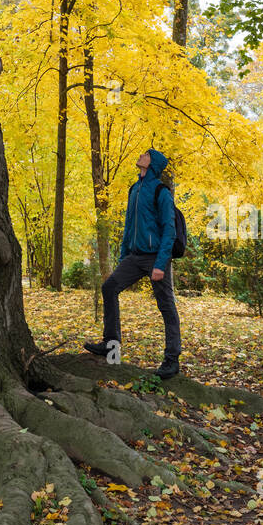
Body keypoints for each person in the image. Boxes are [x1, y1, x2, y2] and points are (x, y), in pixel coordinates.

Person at [83, 147, 181, 379]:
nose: (141, 156)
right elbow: (129, 226)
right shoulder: (135, 189)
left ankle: (172, 360)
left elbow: (169, 230)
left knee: (166, 305)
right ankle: (111, 346)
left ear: (153, 163)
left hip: (155, 256)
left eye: (146, 154)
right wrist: (123, 256)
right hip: (134, 257)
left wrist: (160, 264)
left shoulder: (161, 191)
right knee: (110, 287)